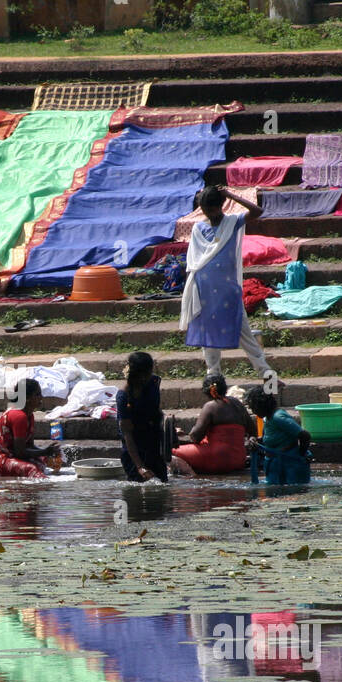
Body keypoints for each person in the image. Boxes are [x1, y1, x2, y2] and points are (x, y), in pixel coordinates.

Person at [180, 185, 278, 382]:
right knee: (208, 332)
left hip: (227, 289)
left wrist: (231, 195)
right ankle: (213, 374)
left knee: (244, 331)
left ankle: (265, 372)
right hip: (205, 289)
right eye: (205, 210)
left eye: (212, 209)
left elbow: (257, 212)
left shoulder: (232, 222)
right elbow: (194, 260)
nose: (209, 213)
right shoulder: (199, 228)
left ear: (221, 206)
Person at [0, 378, 60, 478]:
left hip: (9, 455)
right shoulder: (19, 416)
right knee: (31, 470)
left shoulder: (29, 415)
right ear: (27, 398)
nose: (41, 397)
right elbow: (20, 452)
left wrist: (48, 453)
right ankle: (44, 489)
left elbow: (30, 446)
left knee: (45, 462)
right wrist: (45, 451)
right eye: (37, 394)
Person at [171, 375, 254, 475]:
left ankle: (192, 477)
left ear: (206, 391)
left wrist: (185, 433)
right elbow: (253, 430)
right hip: (239, 459)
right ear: (225, 388)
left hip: (217, 458)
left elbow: (195, 437)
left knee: (171, 452)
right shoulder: (237, 403)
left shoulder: (210, 406)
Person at [116, 351, 168, 483]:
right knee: (137, 491)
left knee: (161, 484)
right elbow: (127, 433)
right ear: (140, 374)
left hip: (153, 442)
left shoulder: (154, 382)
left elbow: (156, 410)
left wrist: (170, 429)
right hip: (134, 448)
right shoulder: (124, 396)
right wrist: (140, 466)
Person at [243, 385, 312, 485]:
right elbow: (270, 439)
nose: (253, 411)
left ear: (261, 404)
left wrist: (301, 455)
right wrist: (255, 441)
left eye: (253, 407)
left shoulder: (278, 417)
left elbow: (305, 435)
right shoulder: (268, 418)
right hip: (277, 467)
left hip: (290, 468)